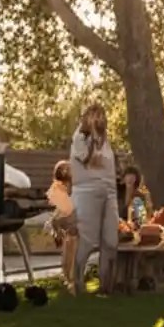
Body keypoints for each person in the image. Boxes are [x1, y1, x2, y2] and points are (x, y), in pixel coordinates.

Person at [69, 102, 119, 295]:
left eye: (101, 115)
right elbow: (85, 159)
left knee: (111, 241)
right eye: (94, 115)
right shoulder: (80, 138)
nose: (99, 119)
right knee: (87, 240)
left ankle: (105, 286)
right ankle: (77, 284)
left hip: (109, 192)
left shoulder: (105, 140)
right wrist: (91, 137)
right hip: (87, 192)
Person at [45, 160, 79, 291]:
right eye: (64, 169)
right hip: (64, 226)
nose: (66, 171)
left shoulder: (74, 188)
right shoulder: (57, 189)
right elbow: (60, 213)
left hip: (71, 227)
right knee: (70, 243)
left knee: (72, 243)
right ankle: (69, 279)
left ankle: (70, 279)